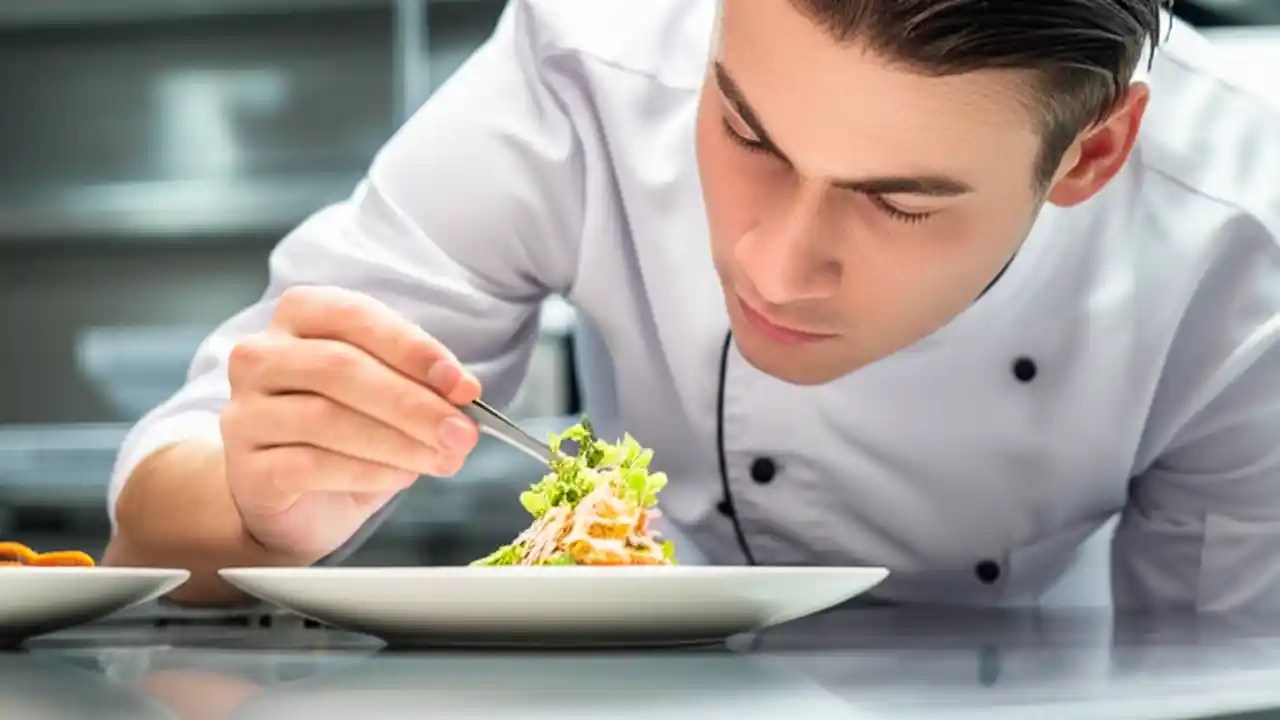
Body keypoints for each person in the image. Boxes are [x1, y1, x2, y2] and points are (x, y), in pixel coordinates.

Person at [104, 0, 1280, 610]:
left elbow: (1216, 665)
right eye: (744, 133)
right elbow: (164, 543)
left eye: (896, 202)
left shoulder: (1240, 234)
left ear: (1091, 153)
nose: (773, 269)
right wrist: (263, 512)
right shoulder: (584, 64)